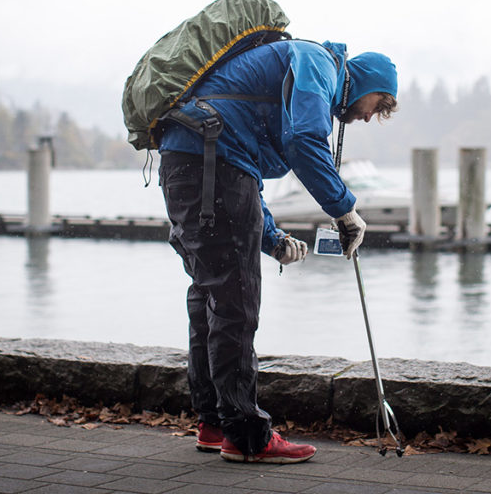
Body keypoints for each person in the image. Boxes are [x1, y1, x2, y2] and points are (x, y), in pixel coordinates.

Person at [158, 35, 398, 464]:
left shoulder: (295, 67)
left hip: (185, 163)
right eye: (378, 103)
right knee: (236, 303)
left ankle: (215, 423)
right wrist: (345, 211)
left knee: (211, 294)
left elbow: (241, 160)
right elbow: (303, 139)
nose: (368, 117)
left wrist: (272, 239)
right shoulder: (319, 62)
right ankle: (247, 437)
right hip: (212, 167)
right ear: (364, 81)